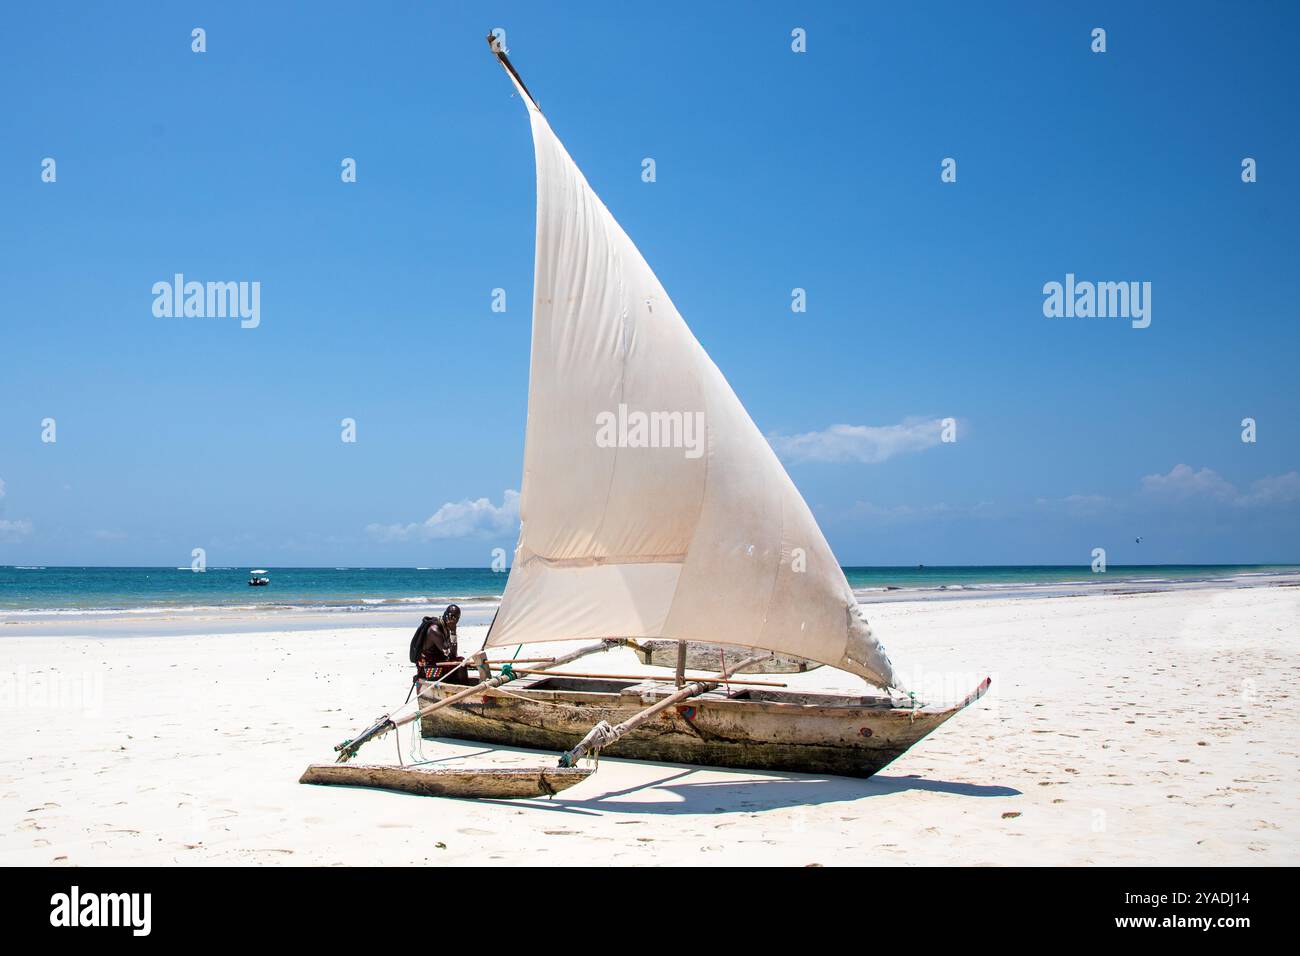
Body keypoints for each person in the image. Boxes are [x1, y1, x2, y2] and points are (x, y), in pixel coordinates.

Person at [410, 604, 473, 686]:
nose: (454, 619)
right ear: (446, 615)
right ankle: (462, 688)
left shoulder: (446, 627)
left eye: (456, 618)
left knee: (461, 662)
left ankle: (461, 686)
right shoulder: (434, 630)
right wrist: (453, 632)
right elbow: (451, 654)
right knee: (460, 664)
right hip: (429, 669)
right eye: (452, 616)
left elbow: (453, 654)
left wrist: (452, 631)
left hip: (439, 662)